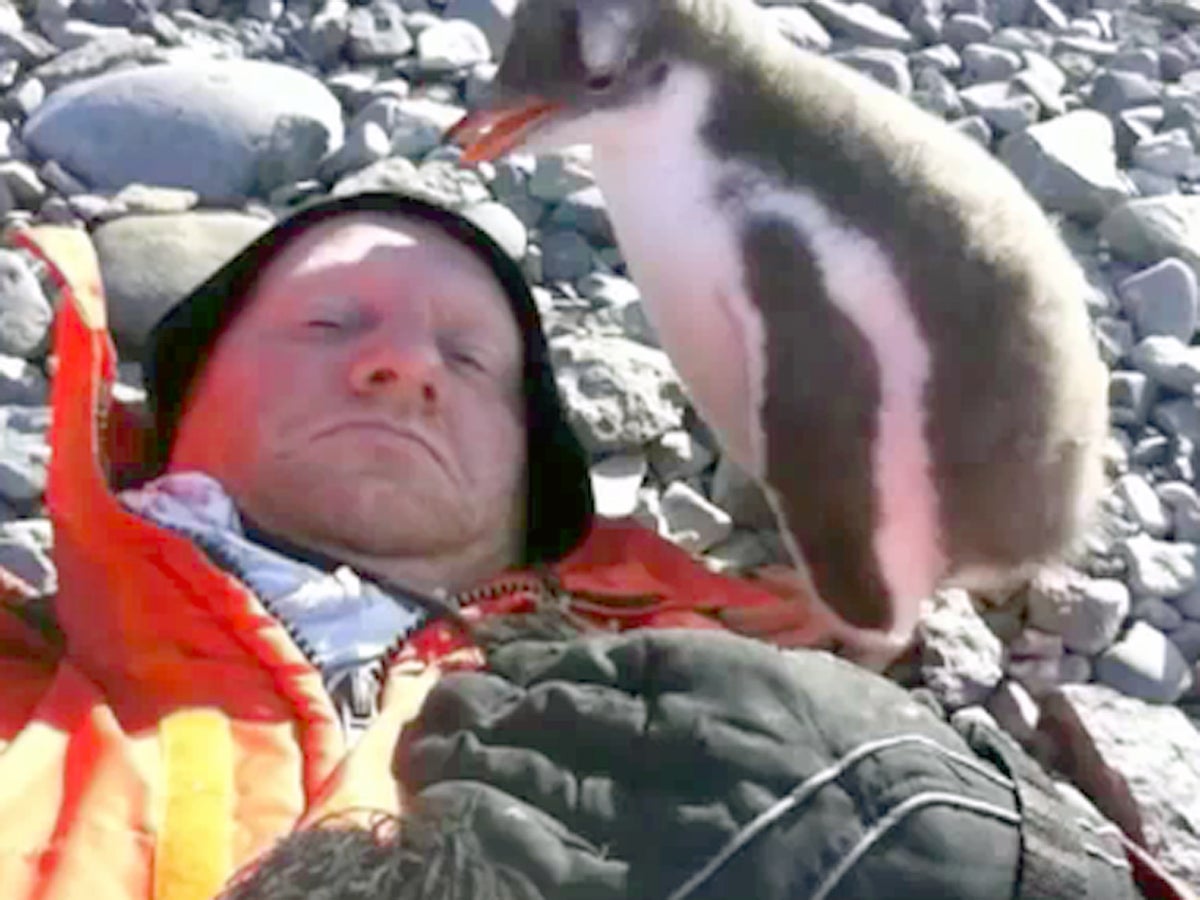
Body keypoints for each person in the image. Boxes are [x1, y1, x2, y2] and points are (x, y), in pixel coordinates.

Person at [0, 191, 1188, 900]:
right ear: (167, 413)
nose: (405, 361)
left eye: (470, 360)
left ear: (530, 487)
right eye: (325, 322)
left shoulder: (742, 720)